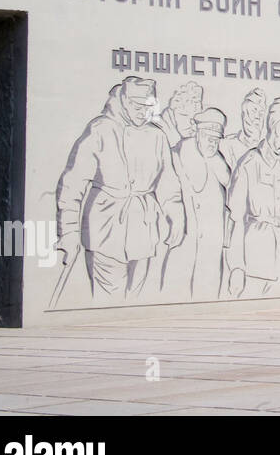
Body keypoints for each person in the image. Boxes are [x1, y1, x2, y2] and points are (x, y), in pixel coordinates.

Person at [55, 77, 185, 303]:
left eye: (148, 107)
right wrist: (68, 232)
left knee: (135, 300)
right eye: (137, 106)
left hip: (144, 230)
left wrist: (176, 215)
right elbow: (72, 184)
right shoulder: (100, 130)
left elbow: (168, 182)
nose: (142, 112)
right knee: (110, 300)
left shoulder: (157, 136)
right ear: (124, 101)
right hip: (105, 229)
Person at [224, 98, 280, 298]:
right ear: (272, 124)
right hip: (253, 263)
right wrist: (237, 267)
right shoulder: (250, 163)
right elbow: (235, 219)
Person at [167, 108, 230, 300]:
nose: (212, 142)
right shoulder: (178, 155)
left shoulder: (220, 164)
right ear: (197, 133)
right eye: (207, 136)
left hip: (211, 243)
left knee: (209, 289)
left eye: (216, 138)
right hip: (185, 241)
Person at [220, 88, 266, 169]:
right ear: (244, 115)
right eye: (253, 111)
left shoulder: (266, 149)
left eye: (261, 113)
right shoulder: (227, 145)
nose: (257, 117)